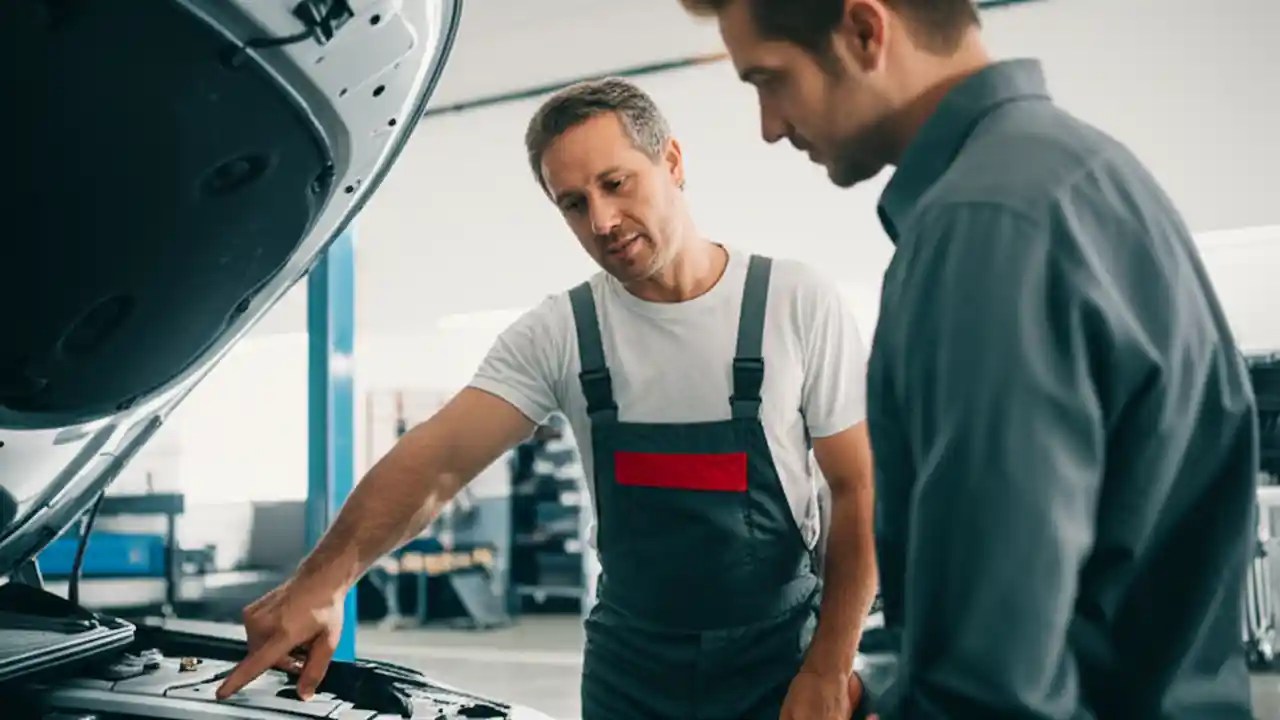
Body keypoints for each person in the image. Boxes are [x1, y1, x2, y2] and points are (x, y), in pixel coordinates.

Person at [215, 77, 880, 720]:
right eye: (573, 203)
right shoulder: (563, 331)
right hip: (632, 671)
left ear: (671, 161)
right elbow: (437, 462)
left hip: (779, 660)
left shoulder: (793, 303)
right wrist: (324, 580)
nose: (603, 221)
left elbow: (858, 491)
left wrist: (828, 666)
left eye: (616, 184)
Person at [676, 0, 1261, 717]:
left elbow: (992, 677)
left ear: (864, 31)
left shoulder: (985, 225)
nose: (770, 126)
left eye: (770, 80)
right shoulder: (1086, 170)